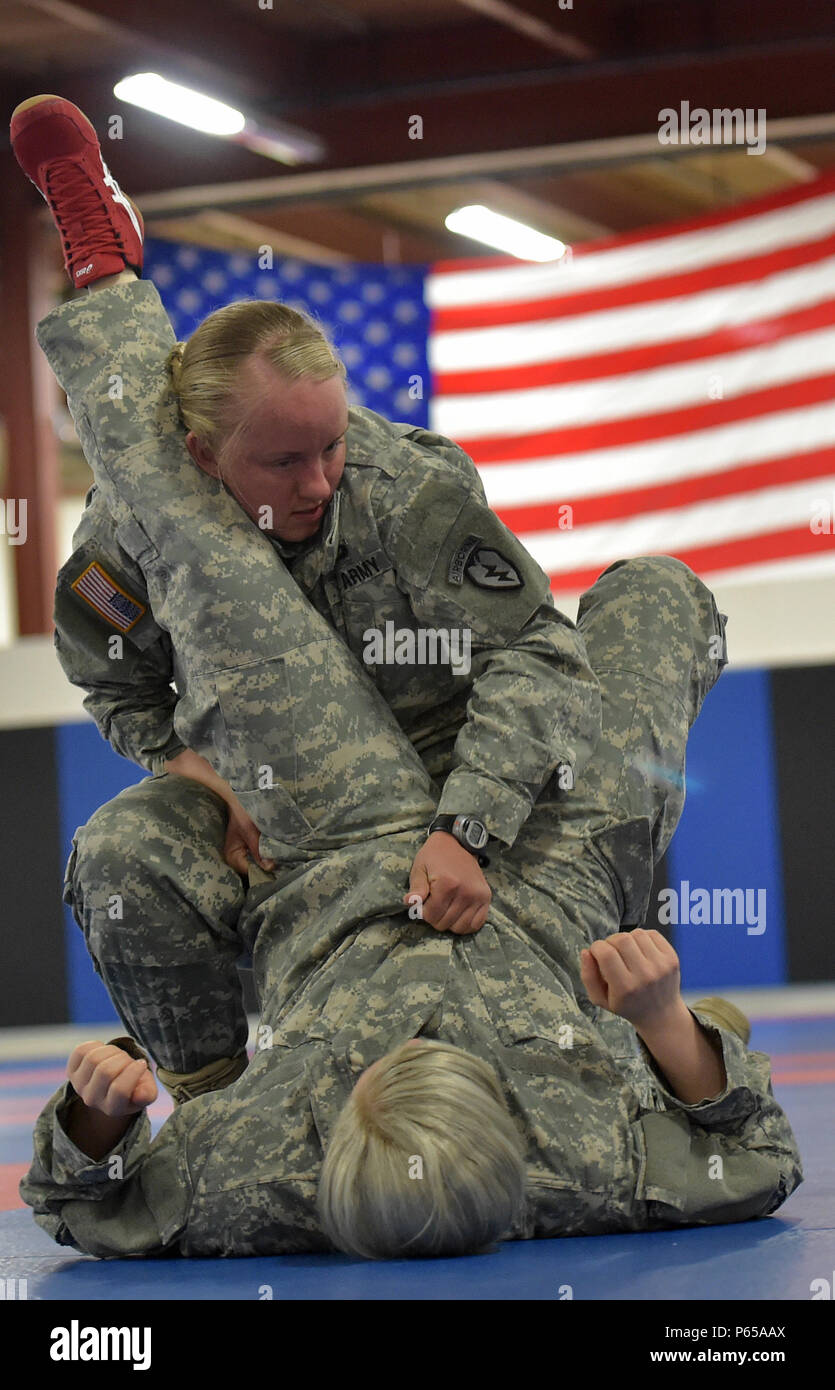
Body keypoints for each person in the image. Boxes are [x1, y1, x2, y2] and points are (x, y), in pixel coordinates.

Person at [13, 95, 803, 1259]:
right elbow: (755, 1153)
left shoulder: (266, 1163)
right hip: (544, 862)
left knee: (195, 548)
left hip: (347, 837)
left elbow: (84, 1199)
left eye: (331, 445)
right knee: (658, 596)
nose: (326, 476)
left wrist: (100, 1114)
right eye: (288, 457)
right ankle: (223, 1041)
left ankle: (103, 273)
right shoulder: (588, 1149)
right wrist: (667, 1030)